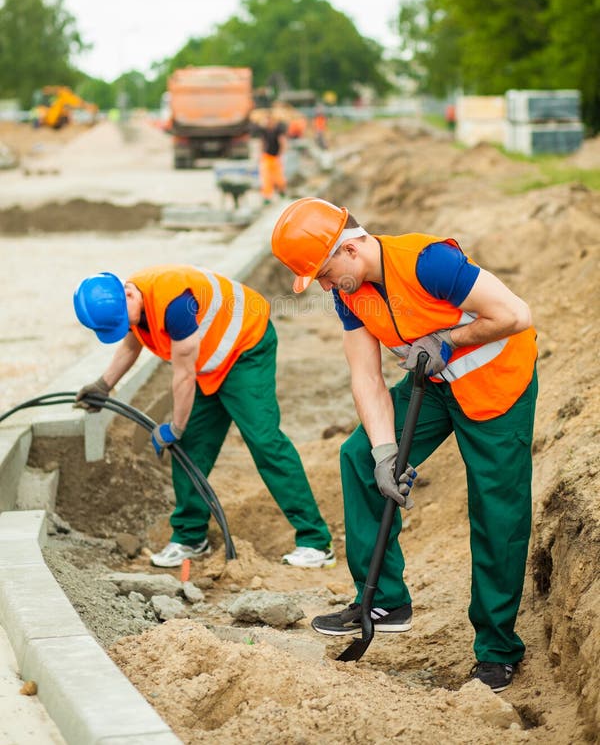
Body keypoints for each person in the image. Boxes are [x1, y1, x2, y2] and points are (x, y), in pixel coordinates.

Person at [271, 197, 538, 693]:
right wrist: (384, 454)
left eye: (325, 273)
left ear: (350, 248)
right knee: (356, 457)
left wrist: (448, 341)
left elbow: (515, 314)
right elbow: (365, 376)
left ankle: (498, 650)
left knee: (497, 510)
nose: (326, 286)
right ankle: (384, 600)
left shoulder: (427, 262)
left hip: (497, 385)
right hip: (435, 388)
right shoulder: (349, 293)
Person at [73, 264, 334, 570]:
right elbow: (133, 341)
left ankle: (316, 542)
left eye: (121, 321)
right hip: (210, 360)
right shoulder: (130, 302)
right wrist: (104, 386)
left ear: (128, 293)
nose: (124, 327)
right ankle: (190, 537)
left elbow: (183, 377)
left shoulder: (175, 306)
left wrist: (175, 427)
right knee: (191, 448)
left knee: (265, 441)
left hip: (245, 350)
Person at [253, 111, 287, 204]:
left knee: (279, 177)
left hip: (275, 157)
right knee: (266, 178)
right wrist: (260, 154)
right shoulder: (264, 131)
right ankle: (267, 196)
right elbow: (262, 143)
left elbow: (282, 143)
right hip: (267, 157)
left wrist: (280, 155)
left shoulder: (278, 131)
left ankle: (282, 191)